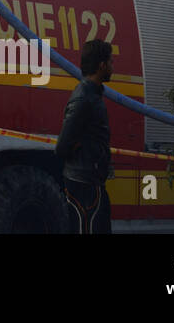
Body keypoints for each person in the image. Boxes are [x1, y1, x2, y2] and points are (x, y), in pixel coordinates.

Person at [56, 39, 114, 234]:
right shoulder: (84, 98)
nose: (113, 67)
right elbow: (63, 146)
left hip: (92, 182)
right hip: (84, 184)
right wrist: (86, 154)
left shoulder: (93, 95)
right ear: (102, 65)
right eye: (111, 62)